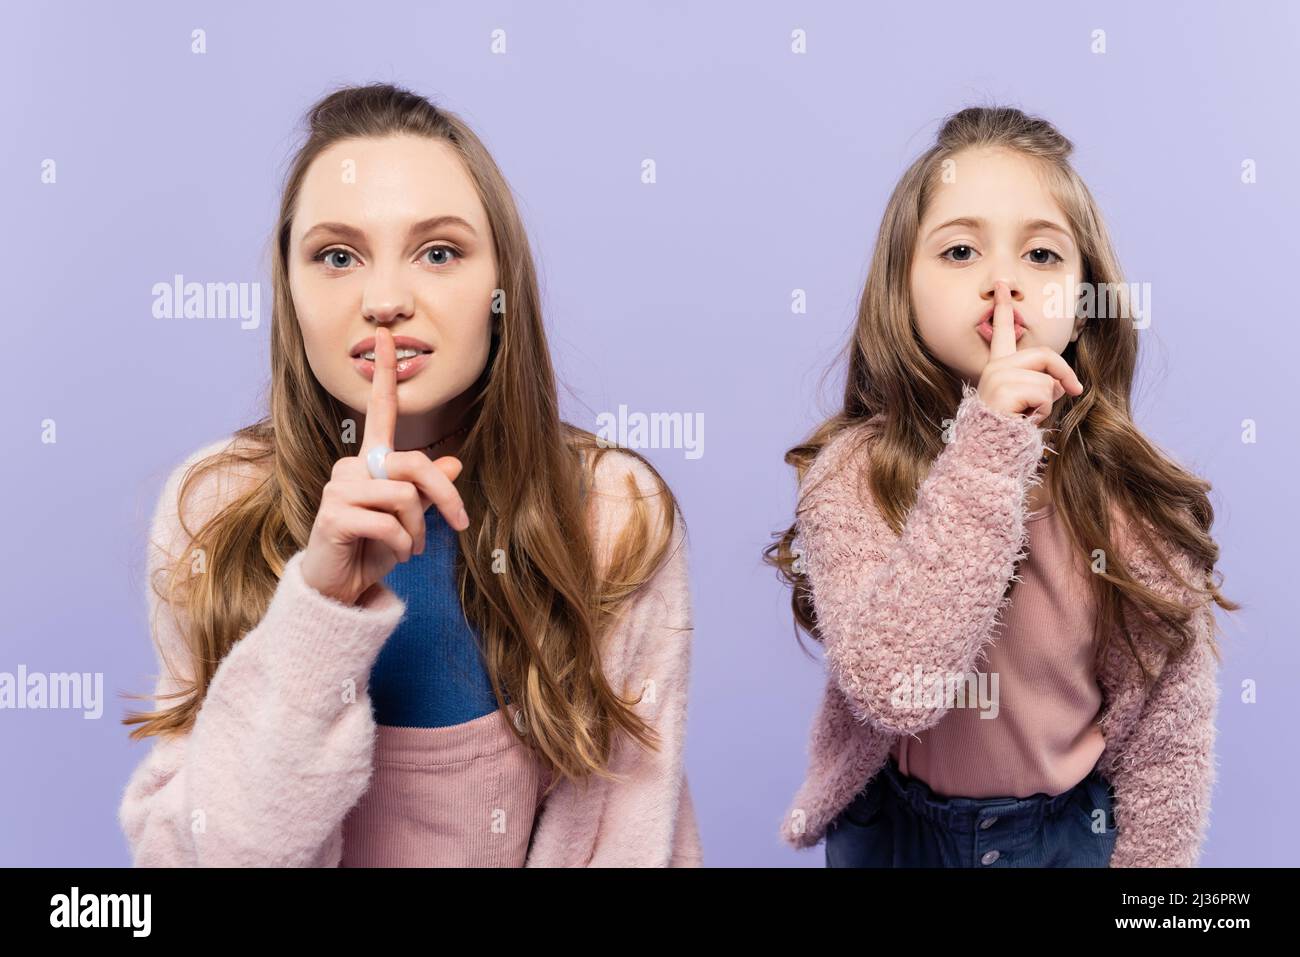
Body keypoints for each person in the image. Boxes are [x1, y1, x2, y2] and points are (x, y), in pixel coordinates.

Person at [118, 83, 700, 867]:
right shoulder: (214, 506)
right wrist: (320, 607)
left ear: (502, 289)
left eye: (438, 252)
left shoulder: (613, 514)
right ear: (289, 289)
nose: (386, 300)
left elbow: (632, 838)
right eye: (336, 256)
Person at [767, 106, 1236, 867]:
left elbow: (1166, 741)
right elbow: (896, 687)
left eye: (1042, 256)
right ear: (902, 289)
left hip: (1064, 836)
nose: (1004, 282)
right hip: (898, 835)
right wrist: (989, 442)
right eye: (959, 250)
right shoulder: (856, 473)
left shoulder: (1125, 496)